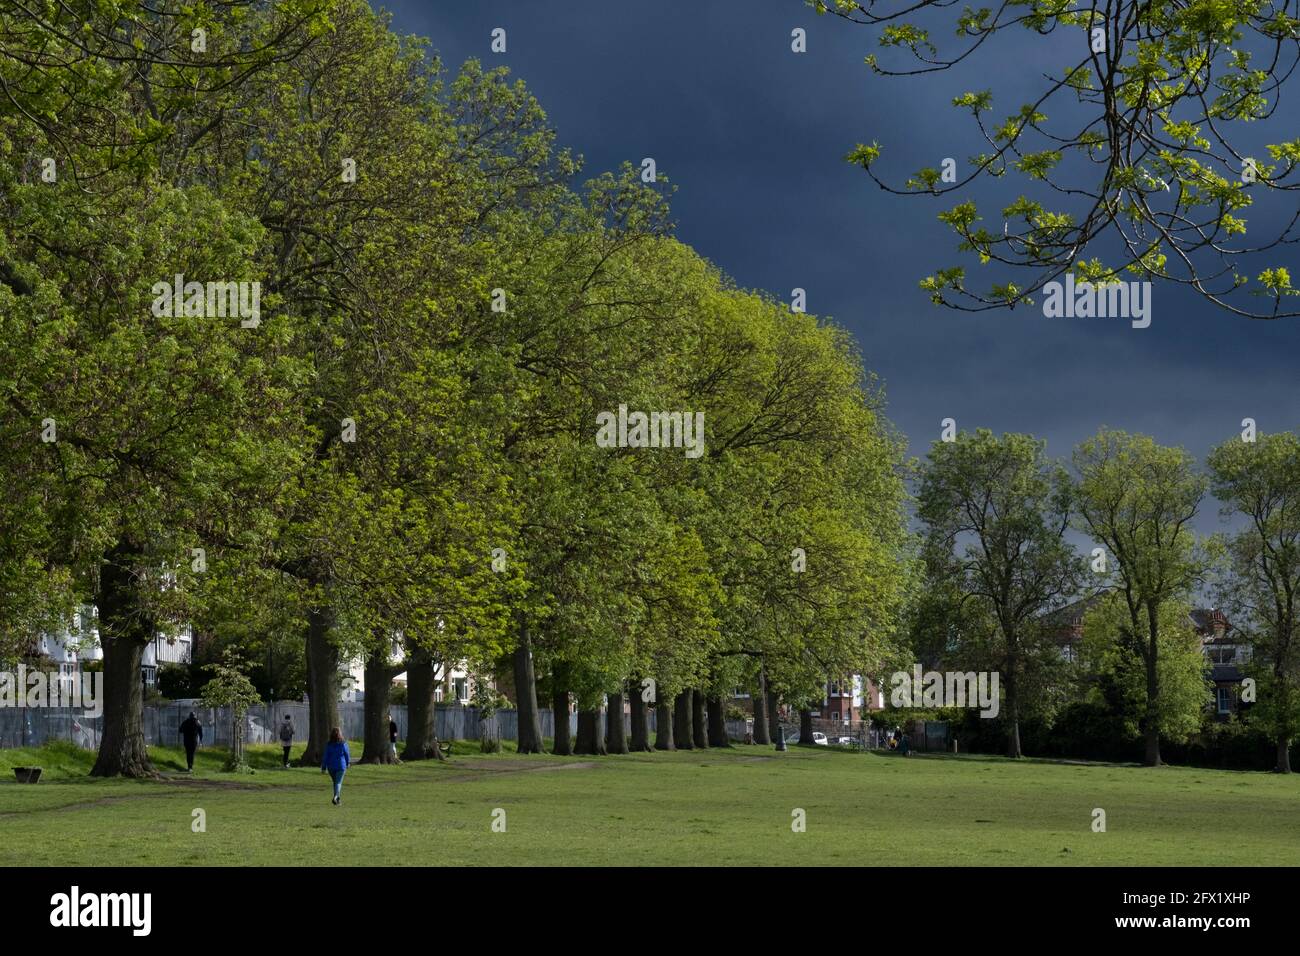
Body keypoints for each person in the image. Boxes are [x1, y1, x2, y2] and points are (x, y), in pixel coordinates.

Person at [321, 727, 350, 805]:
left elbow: (325, 756)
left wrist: (323, 767)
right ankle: (336, 796)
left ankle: (337, 800)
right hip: (341, 765)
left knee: (335, 783)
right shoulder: (343, 743)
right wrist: (348, 763)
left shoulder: (329, 744)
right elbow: (347, 754)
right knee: (338, 782)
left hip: (331, 766)